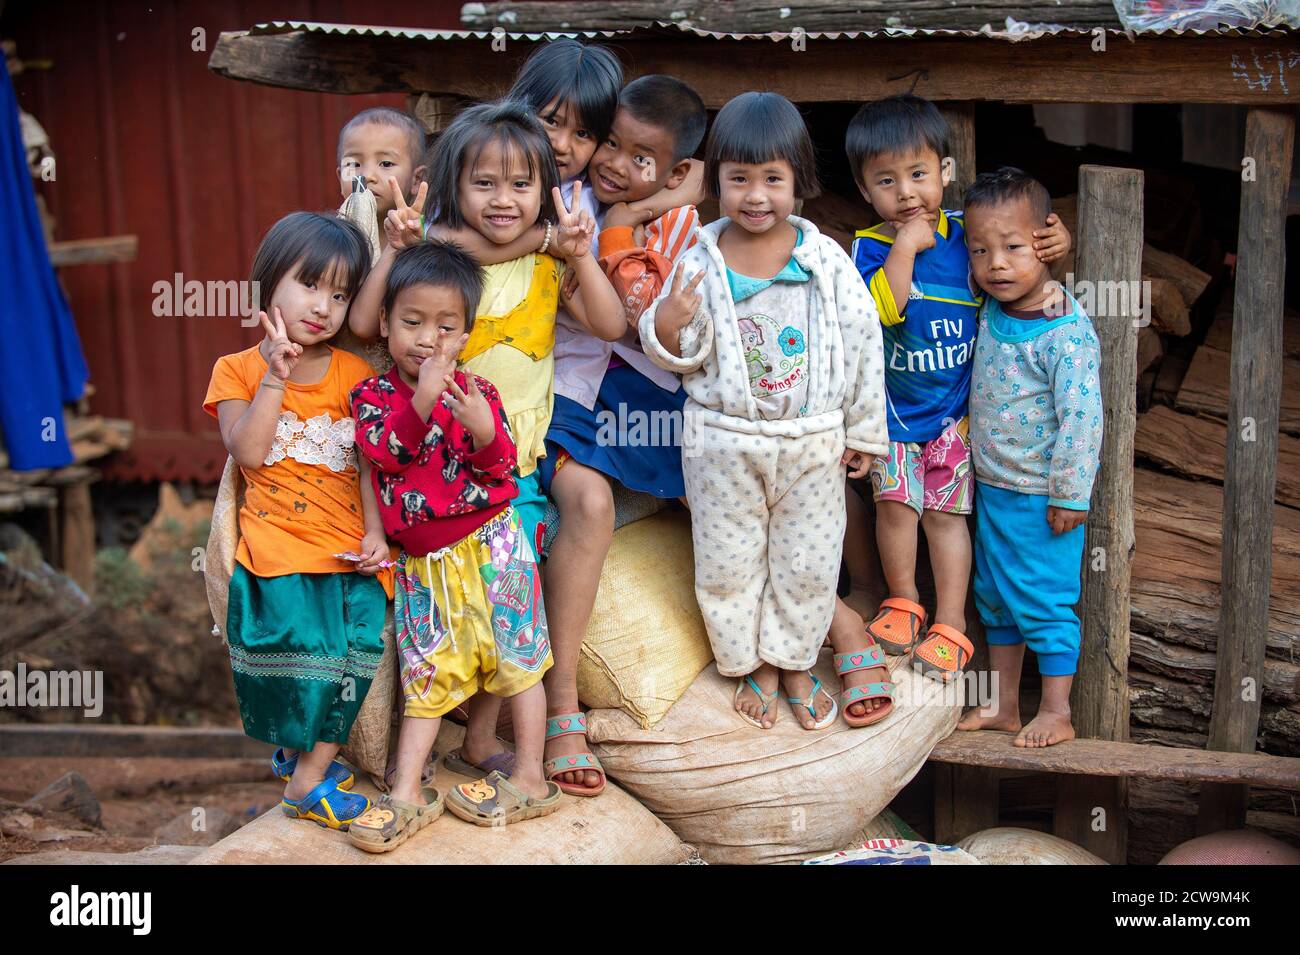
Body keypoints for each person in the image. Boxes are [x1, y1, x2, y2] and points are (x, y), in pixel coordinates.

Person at [349, 100, 626, 787]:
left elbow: (611, 323)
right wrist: (396, 248)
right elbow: (363, 323)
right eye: (484, 184)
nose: (504, 200)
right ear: (454, 185)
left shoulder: (548, 264)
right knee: (474, 603)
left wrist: (578, 254)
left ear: (545, 188)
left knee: (509, 600)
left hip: (516, 458)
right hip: (445, 471)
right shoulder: (438, 267)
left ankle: (489, 733)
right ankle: (461, 733)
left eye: (521, 185)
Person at [641, 92, 890, 731]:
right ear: (716, 182)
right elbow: (683, 357)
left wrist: (865, 429)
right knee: (728, 562)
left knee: (807, 562)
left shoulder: (824, 260)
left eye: (773, 179)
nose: (756, 196)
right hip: (722, 442)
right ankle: (750, 662)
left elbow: (864, 341)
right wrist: (667, 325)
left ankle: (795, 660)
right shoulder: (698, 262)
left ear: (799, 180)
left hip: (812, 440)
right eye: (740, 179)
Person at [845, 93, 1071, 685]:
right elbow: (883, 311)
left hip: (955, 418)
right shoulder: (866, 248)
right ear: (864, 190)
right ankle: (902, 602)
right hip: (893, 417)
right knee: (896, 507)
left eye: (918, 174)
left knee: (945, 519)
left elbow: (1016, 256)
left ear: (945, 171)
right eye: (886, 181)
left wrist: (1057, 250)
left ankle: (950, 624)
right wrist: (904, 247)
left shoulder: (968, 237)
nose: (907, 193)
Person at [347, 241, 564, 849]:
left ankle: (530, 777)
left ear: (466, 334)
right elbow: (387, 455)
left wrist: (485, 430)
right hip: (423, 565)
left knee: (519, 658)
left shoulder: (478, 393)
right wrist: (424, 398)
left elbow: (501, 471)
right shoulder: (371, 398)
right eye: (412, 322)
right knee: (426, 675)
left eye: (446, 327)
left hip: (495, 546)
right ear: (384, 323)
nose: (428, 340)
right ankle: (406, 792)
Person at [202, 212, 388, 831]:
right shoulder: (235, 370)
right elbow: (250, 453)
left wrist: (376, 533)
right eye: (310, 284)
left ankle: (306, 775)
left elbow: (369, 469)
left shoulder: (354, 374)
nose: (324, 307)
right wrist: (275, 379)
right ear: (267, 283)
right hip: (276, 549)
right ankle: (302, 766)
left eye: (340, 295)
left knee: (359, 648)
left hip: (348, 549)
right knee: (305, 655)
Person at [955, 167, 1103, 747]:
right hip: (991, 489)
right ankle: (1005, 706)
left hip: (1043, 499)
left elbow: (1083, 418)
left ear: (1044, 242)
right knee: (994, 600)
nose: (996, 264)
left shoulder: (1064, 329)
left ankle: (1057, 712)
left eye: (1014, 247)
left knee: (1045, 602)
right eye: (981, 250)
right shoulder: (988, 306)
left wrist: (1070, 493)